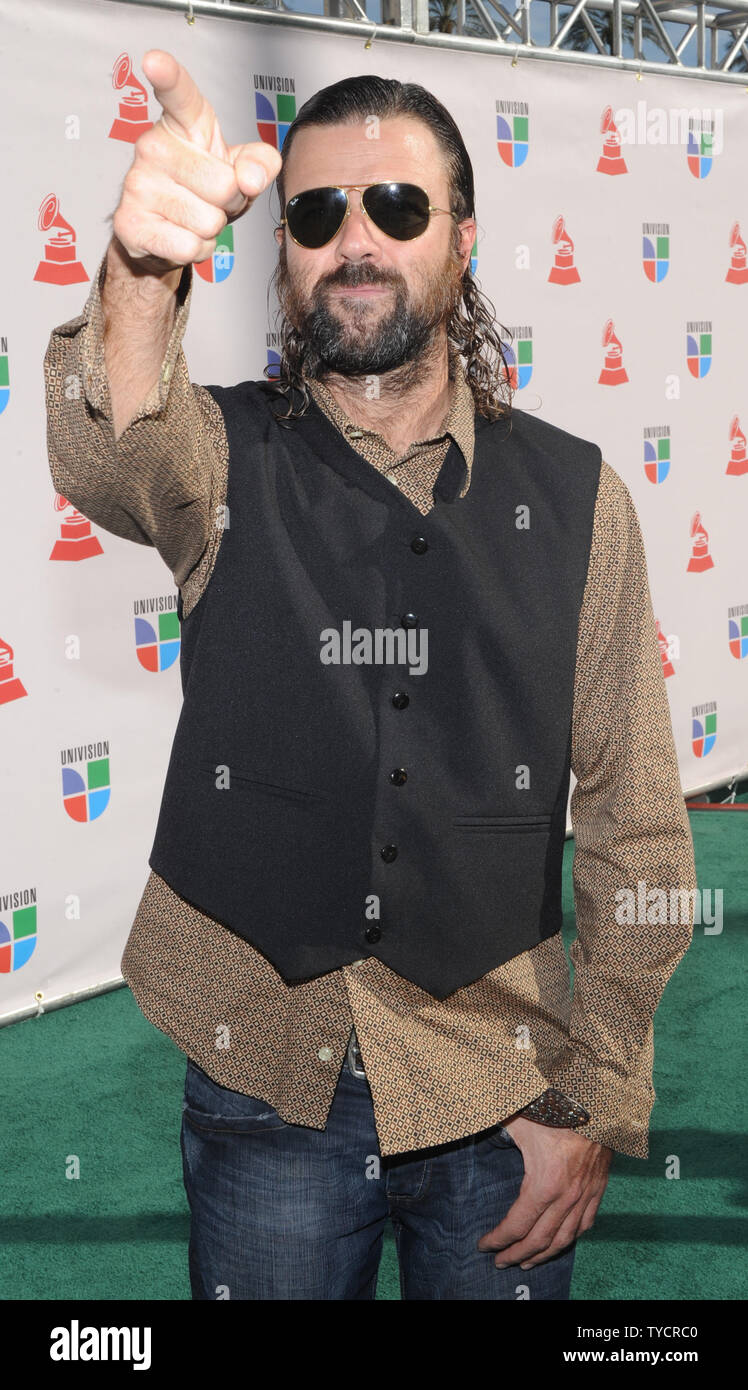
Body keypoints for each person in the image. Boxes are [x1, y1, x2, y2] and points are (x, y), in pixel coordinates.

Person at [43, 49, 697, 1301]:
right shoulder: (221, 458)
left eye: (397, 208)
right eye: (315, 213)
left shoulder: (577, 500)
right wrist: (136, 271)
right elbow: (110, 453)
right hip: (262, 1072)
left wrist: (592, 1095)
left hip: (500, 1083)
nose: (356, 240)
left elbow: (638, 826)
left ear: (461, 237)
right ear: (281, 252)